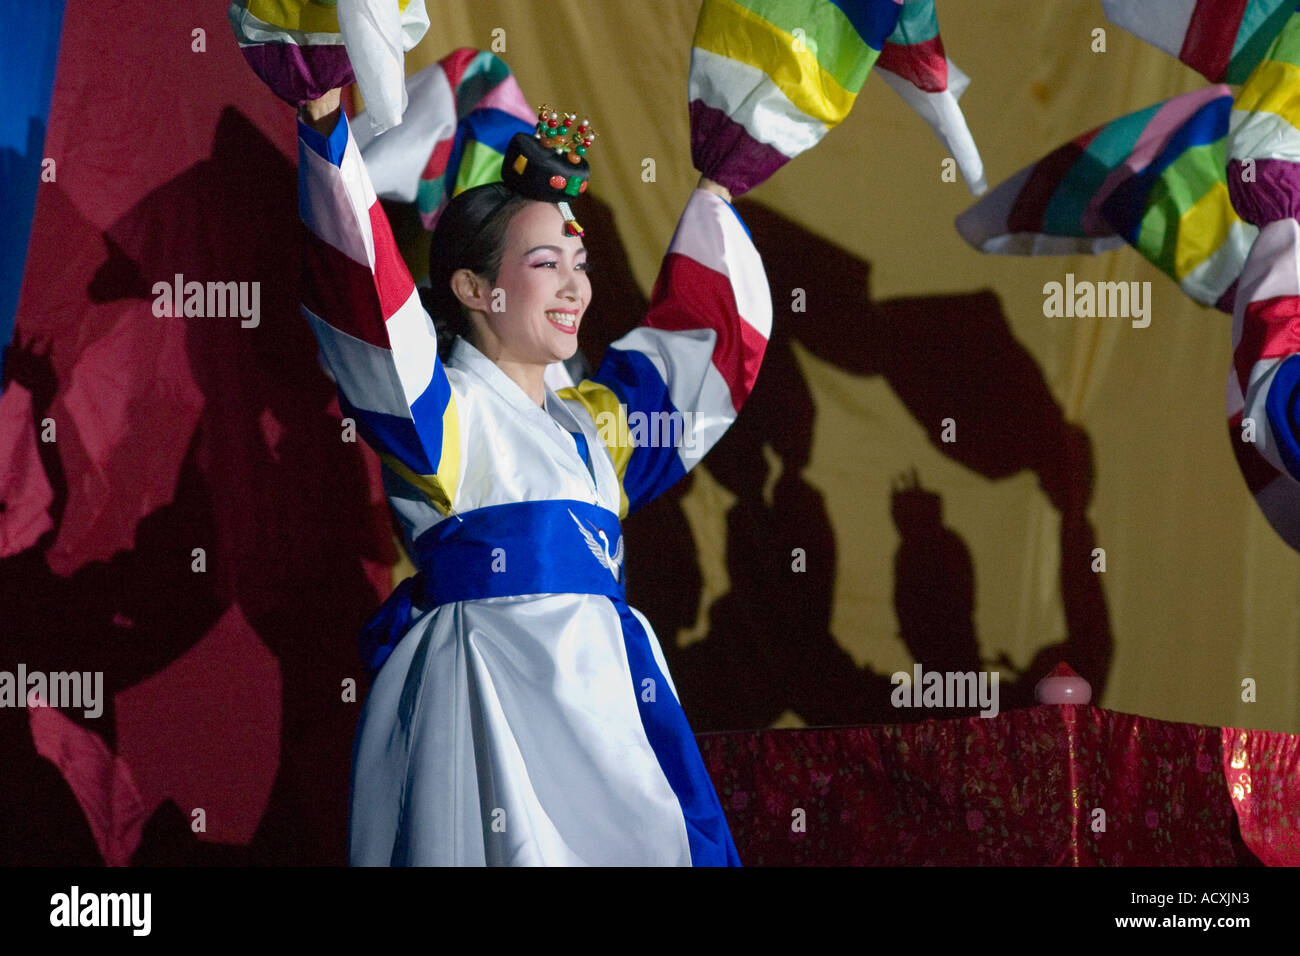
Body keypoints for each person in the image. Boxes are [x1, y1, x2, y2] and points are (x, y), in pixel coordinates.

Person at [298, 82, 771, 865]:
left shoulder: (592, 429)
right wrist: (322, 121)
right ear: (475, 289)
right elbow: (368, 308)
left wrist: (723, 181)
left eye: (579, 264)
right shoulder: (443, 419)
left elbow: (693, 360)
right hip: (488, 711)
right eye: (546, 263)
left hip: (609, 720)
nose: (576, 287)